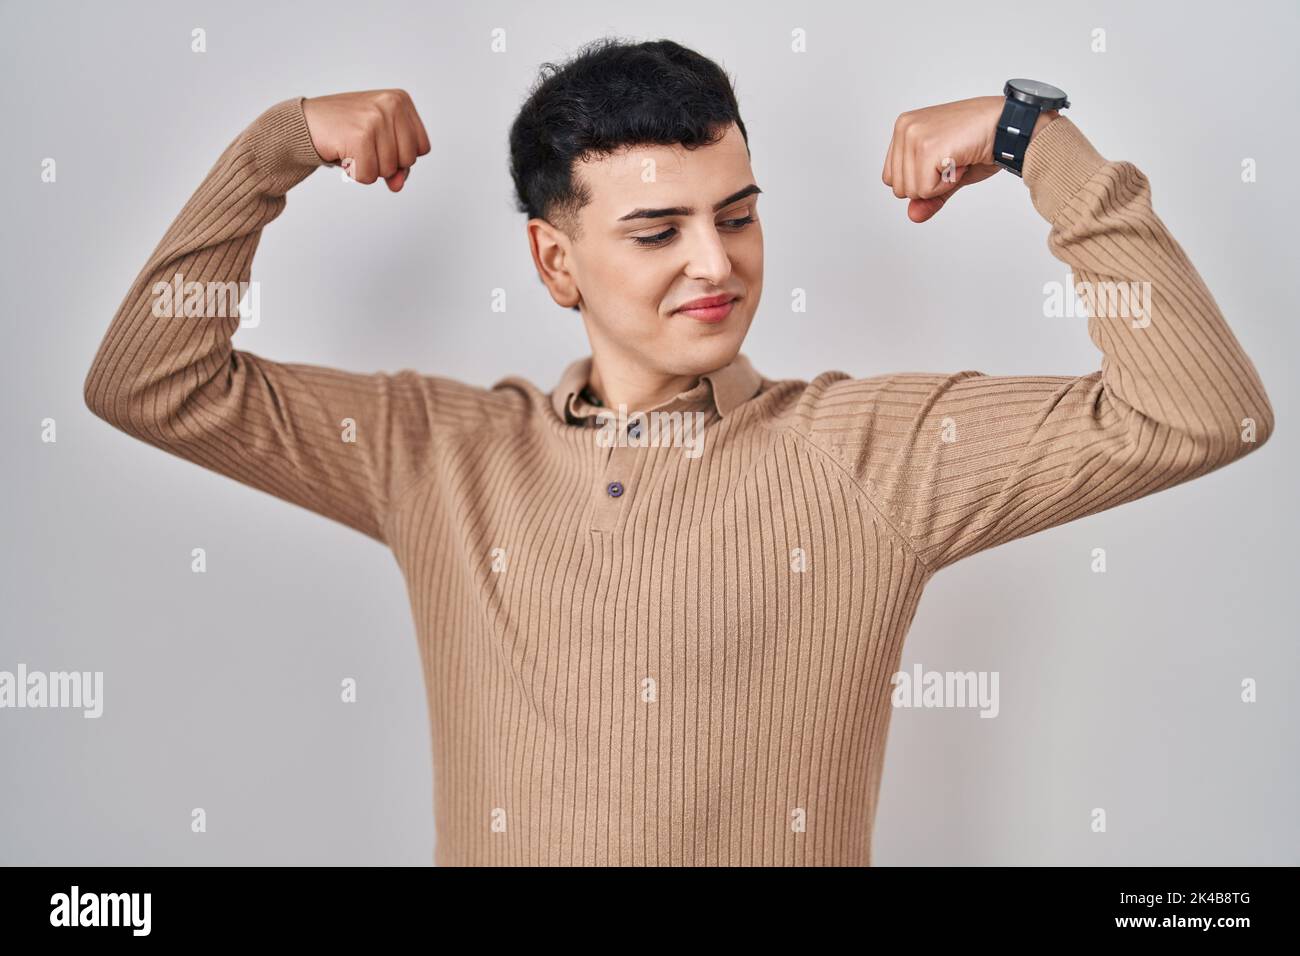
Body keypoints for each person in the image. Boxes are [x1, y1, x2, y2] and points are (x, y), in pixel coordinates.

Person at [83, 37, 1274, 866]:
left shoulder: (870, 453)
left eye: (739, 214)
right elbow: (150, 380)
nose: (716, 263)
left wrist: (1038, 145)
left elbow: (1198, 412)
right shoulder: (436, 453)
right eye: (657, 229)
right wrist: (269, 153)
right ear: (556, 263)